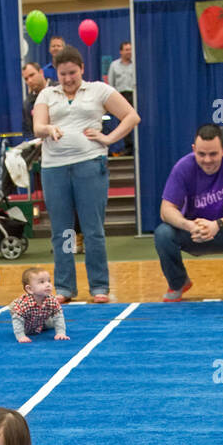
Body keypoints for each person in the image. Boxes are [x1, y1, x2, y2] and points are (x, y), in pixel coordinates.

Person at [32, 46, 139, 303]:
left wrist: (108, 139)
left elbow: (131, 116)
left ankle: (99, 287)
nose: (68, 79)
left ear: (82, 69)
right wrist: (49, 128)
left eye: (72, 73)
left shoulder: (99, 90)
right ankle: (65, 288)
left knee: (92, 230)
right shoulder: (47, 93)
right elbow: (37, 128)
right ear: (55, 72)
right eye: (62, 74)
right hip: (54, 168)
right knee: (62, 231)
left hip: (90, 165)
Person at [155, 124, 223, 301]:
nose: (207, 160)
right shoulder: (182, 167)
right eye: (201, 154)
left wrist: (217, 225)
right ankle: (178, 282)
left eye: (213, 154)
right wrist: (189, 225)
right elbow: (166, 210)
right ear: (194, 149)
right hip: (194, 233)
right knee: (163, 234)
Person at [10, 267, 69, 343]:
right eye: (42, 282)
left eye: (49, 281)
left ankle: (42, 324)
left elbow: (58, 316)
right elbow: (17, 320)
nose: (48, 284)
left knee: (51, 323)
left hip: (42, 320)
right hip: (27, 323)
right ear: (30, 289)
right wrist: (21, 336)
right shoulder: (24, 304)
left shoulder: (52, 300)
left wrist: (61, 333)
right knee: (14, 309)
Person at [106, 42, 136, 156]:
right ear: (121, 51)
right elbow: (111, 83)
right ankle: (128, 147)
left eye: (130, 49)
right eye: (126, 49)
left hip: (133, 94)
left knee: (135, 120)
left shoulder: (135, 64)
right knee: (124, 122)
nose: (129, 52)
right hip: (121, 96)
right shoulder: (114, 65)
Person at [22, 63, 47, 138]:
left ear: (41, 72)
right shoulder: (27, 104)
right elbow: (28, 133)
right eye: (26, 79)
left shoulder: (58, 90)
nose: (29, 80)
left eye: (32, 75)